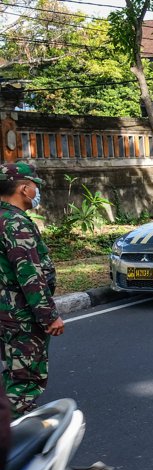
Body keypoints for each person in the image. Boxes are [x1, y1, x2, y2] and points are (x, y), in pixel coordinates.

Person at [0, 162, 64, 417]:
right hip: (22, 316)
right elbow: (29, 276)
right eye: (35, 186)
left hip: (5, 312)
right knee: (24, 380)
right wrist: (49, 316)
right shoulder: (15, 224)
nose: (37, 192)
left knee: (12, 371)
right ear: (24, 189)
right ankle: (12, 432)